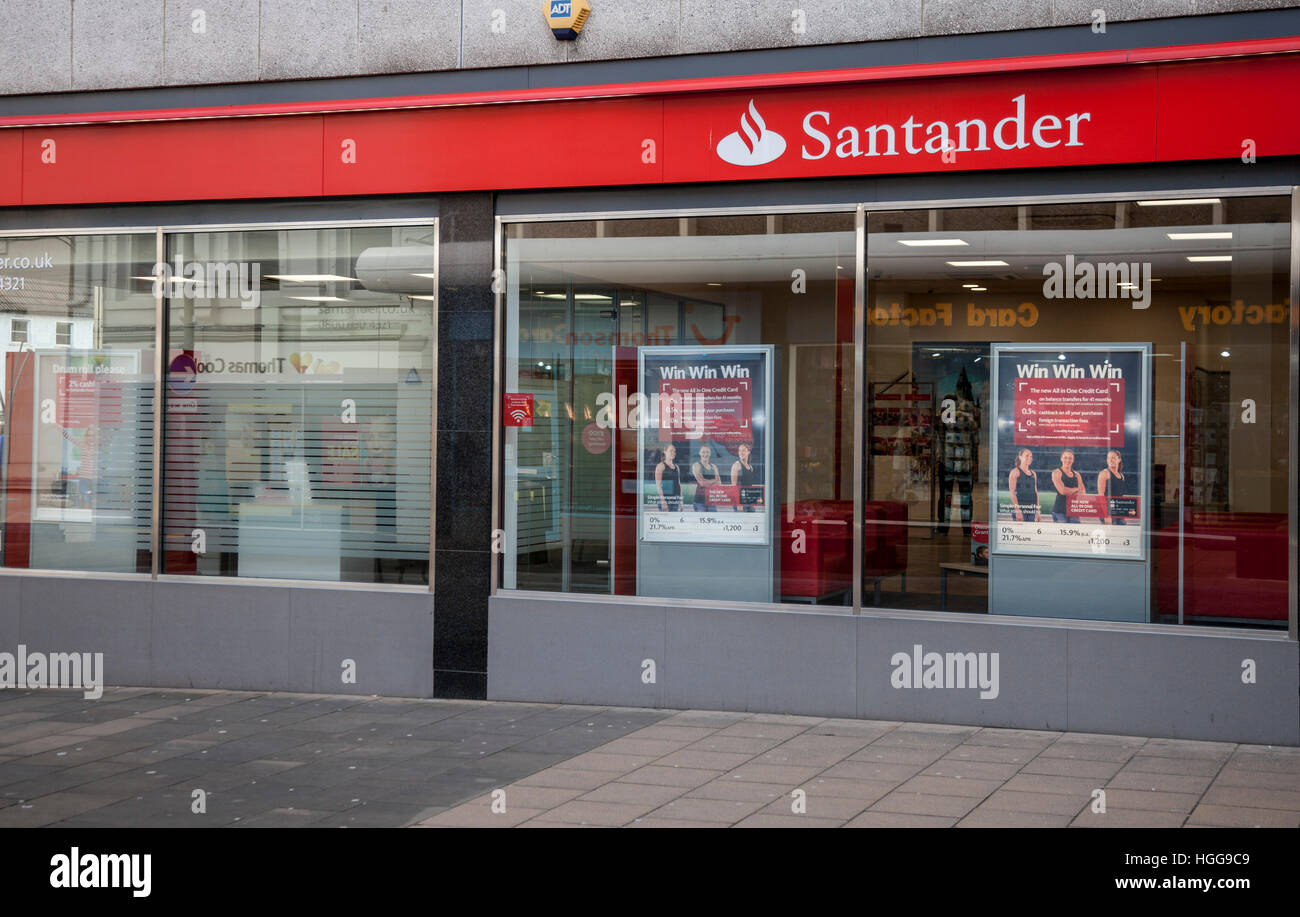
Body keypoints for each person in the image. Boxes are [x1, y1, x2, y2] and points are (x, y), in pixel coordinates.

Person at [1050, 449, 1084, 523]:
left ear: (1073, 460)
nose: (1067, 460)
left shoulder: (1077, 475)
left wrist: (1072, 491)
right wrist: (1076, 490)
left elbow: (1082, 493)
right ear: (1061, 458)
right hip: (1060, 511)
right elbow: (1062, 491)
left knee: (1075, 532)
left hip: (1073, 511)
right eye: (1065, 457)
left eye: (1070, 458)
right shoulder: (1056, 472)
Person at [1097, 449, 1128, 525]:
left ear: (1119, 459)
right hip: (1107, 511)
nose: (1111, 460)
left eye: (1113, 457)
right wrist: (1106, 515)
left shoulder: (1121, 475)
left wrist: (1122, 514)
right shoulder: (1104, 473)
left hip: (1118, 511)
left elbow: (1120, 496)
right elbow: (1101, 495)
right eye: (1109, 458)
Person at [1008, 448, 1038, 522]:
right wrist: (1018, 511)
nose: (1030, 458)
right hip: (1020, 510)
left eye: (1031, 456)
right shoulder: (1015, 472)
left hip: (1031, 511)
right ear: (1020, 457)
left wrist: (1038, 510)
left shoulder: (1033, 473)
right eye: (1027, 456)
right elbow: (1012, 493)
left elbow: (1035, 492)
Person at [730, 441, 760, 512]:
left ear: (748, 452)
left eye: (743, 450)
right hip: (740, 502)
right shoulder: (736, 465)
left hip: (748, 501)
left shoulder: (751, 467)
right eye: (740, 450)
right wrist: (739, 505)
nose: (741, 452)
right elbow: (734, 486)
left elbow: (749, 486)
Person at [691, 443, 722, 512]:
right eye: (703, 452)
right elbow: (702, 483)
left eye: (707, 452)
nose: (705, 454)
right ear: (700, 453)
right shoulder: (696, 466)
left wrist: (706, 481)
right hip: (699, 501)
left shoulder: (714, 467)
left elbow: (719, 483)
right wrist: (714, 480)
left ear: (710, 453)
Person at [654, 443, 682, 512]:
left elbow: (679, 484)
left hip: (675, 500)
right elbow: (658, 486)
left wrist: (681, 501)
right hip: (666, 499)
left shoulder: (677, 467)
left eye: (674, 451)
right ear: (665, 452)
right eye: (671, 451)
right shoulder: (660, 466)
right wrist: (663, 501)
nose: (673, 453)